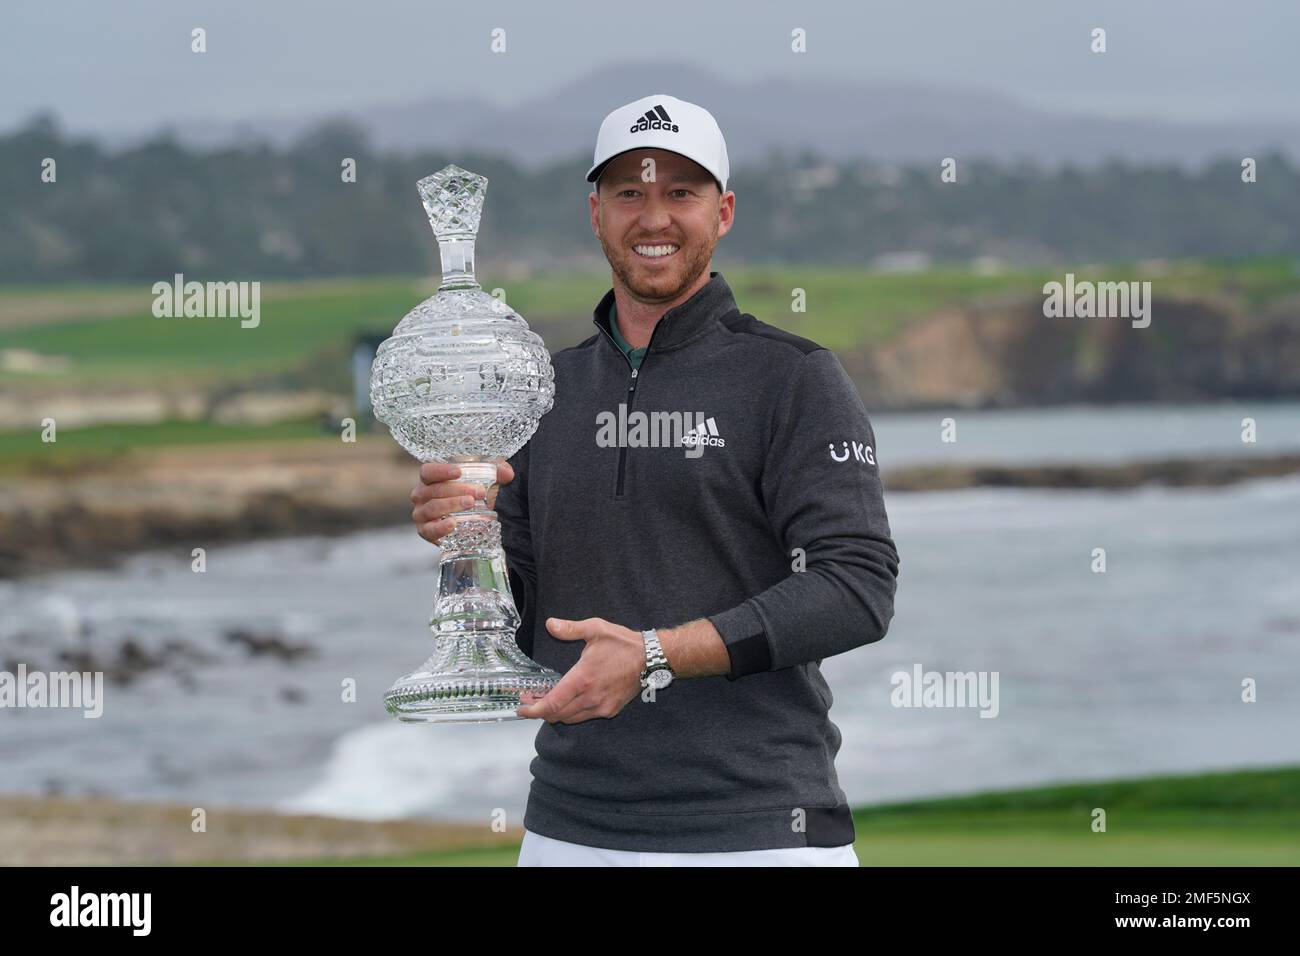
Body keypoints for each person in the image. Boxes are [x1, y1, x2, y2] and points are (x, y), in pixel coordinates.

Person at [409, 93, 900, 866]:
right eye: (630, 193)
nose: (654, 218)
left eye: (681, 191)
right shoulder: (544, 390)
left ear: (724, 211)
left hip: (762, 833)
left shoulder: (794, 378)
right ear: (596, 212)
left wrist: (658, 652)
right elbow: (530, 616)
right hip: (570, 830)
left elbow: (857, 589)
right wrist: (469, 541)